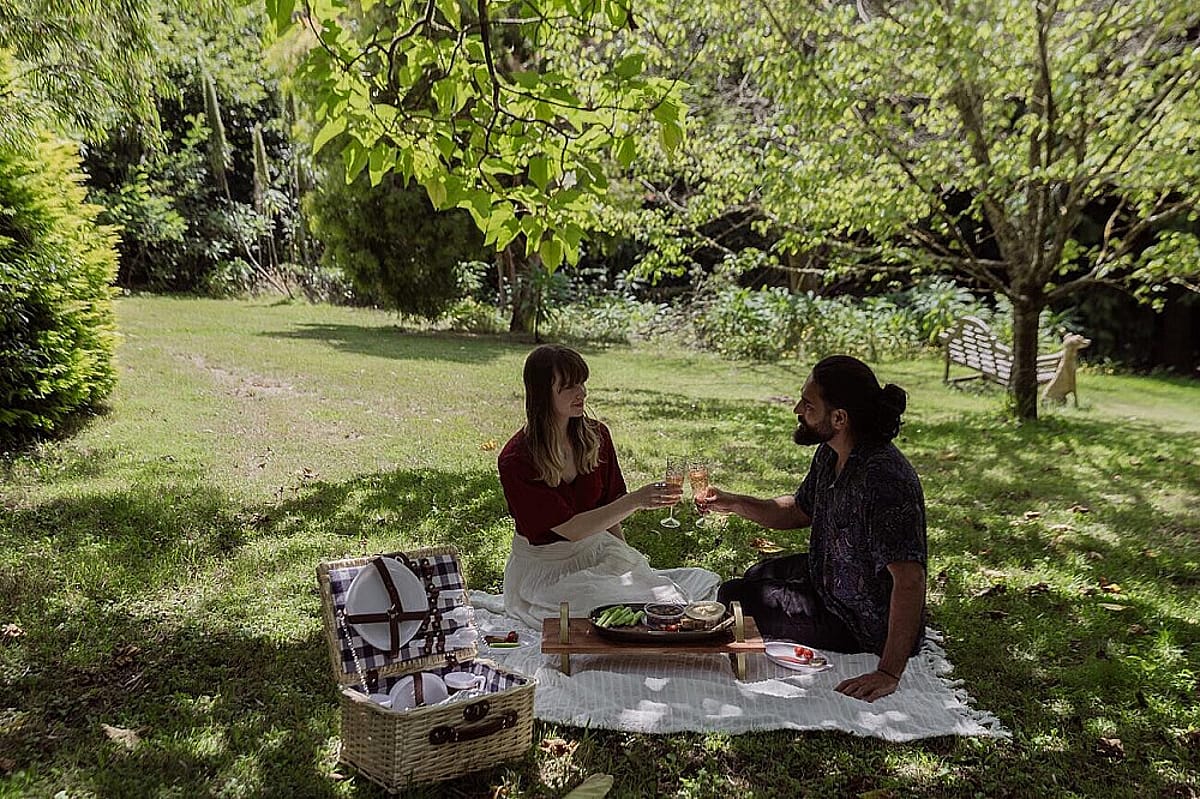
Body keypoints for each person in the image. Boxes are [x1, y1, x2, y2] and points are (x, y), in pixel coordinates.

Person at [700, 355, 926, 703]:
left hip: (858, 620)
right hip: (828, 575)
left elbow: (910, 580)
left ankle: (872, 645)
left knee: (734, 597)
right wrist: (733, 502)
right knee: (756, 575)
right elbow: (800, 509)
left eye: (807, 404)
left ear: (839, 418)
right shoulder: (832, 452)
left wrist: (888, 671)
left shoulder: (884, 480)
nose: (796, 409)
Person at [497, 344, 718, 628]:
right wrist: (637, 500)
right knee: (600, 614)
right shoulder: (517, 459)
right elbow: (572, 529)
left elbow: (608, 507)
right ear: (542, 393)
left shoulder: (595, 435)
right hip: (546, 569)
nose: (582, 393)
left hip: (596, 550)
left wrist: (626, 559)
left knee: (664, 600)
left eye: (583, 383)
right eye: (570, 386)